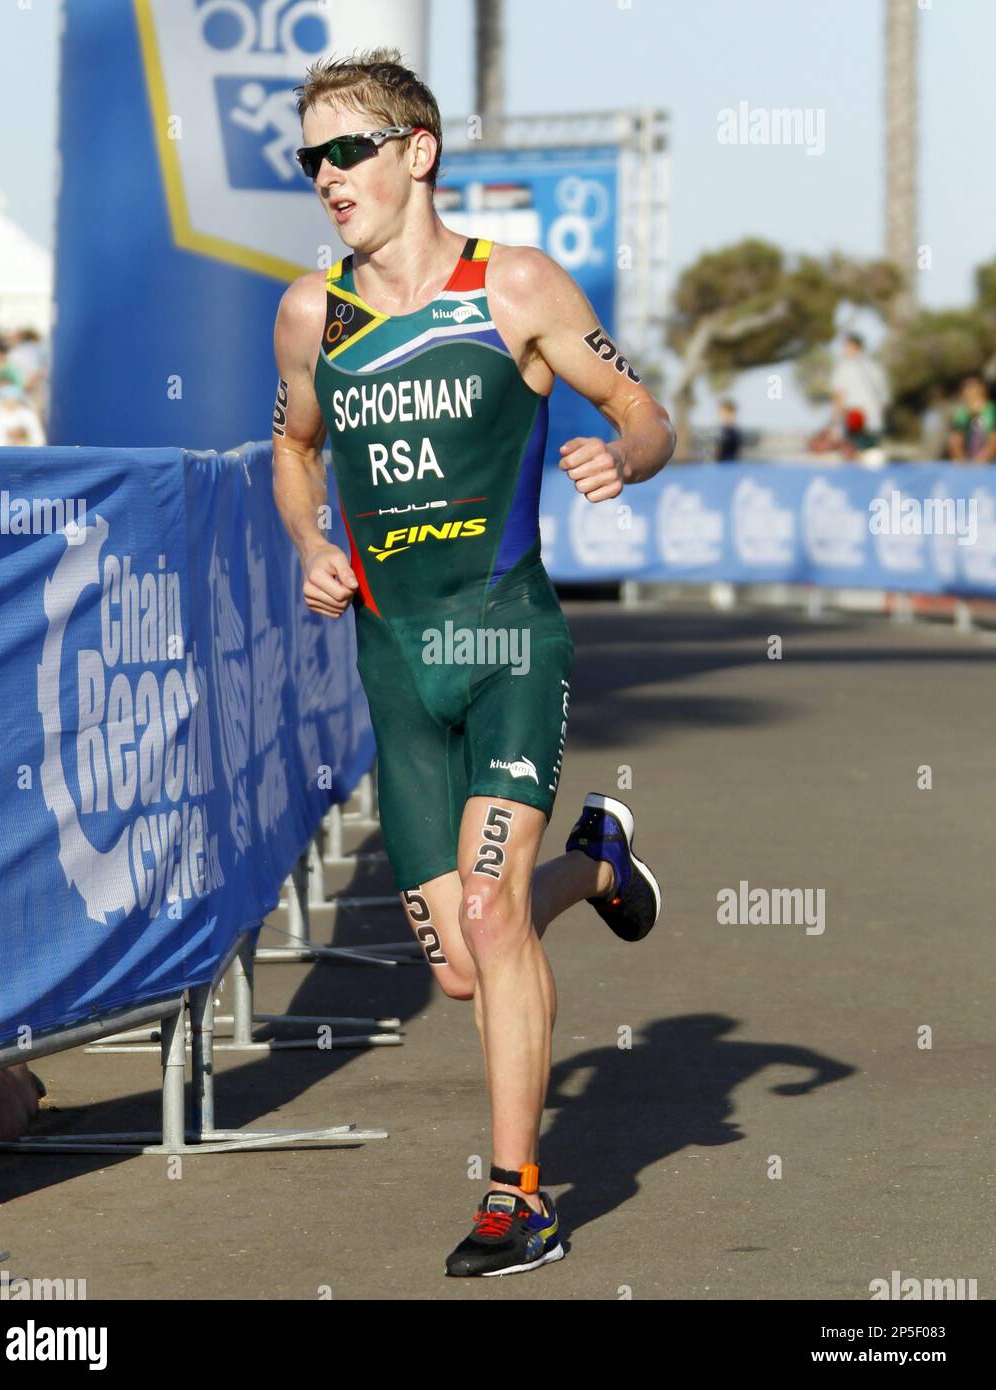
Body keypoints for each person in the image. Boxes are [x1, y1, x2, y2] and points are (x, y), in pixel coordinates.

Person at [271, 48, 674, 1278]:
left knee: (491, 912)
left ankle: (519, 1197)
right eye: (311, 157)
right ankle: (595, 866)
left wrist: (627, 456)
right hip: (392, 662)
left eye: (349, 150)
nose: (328, 176)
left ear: (417, 150)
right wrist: (310, 538)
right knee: (456, 965)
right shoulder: (307, 312)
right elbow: (291, 448)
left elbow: (650, 410)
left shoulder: (516, 288)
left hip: (505, 642)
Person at [830, 332, 889, 460]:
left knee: (853, 460)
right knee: (872, 458)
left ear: (853, 346)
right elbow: (885, 399)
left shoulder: (844, 367)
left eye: (845, 346)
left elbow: (839, 397)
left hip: (855, 422)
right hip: (875, 422)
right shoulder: (875, 367)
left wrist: (834, 426)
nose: (843, 350)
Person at [947, 376, 996, 463]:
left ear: (982, 389)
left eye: (972, 387)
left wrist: (982, 459)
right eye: (966, 388)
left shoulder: (992, 410)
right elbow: (955, 441)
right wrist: (962, 462)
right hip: (969, 464)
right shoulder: (961, 414)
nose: (969, 391)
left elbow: (993, 439)